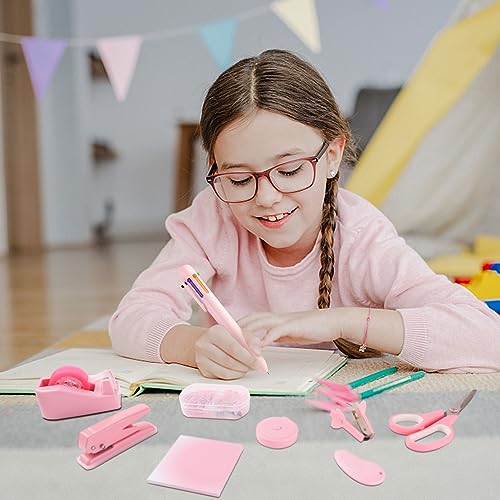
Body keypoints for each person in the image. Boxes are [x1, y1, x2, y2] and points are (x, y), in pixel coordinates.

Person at [109, 49, 500, 379]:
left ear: (332, 155)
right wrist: (191, 345)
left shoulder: (362, 236)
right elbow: (131, 318)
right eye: (240, 178)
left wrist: (339, 321)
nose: (266, 198)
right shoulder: (213, 217)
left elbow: (487, 337)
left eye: (290, 171)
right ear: (215, 166)